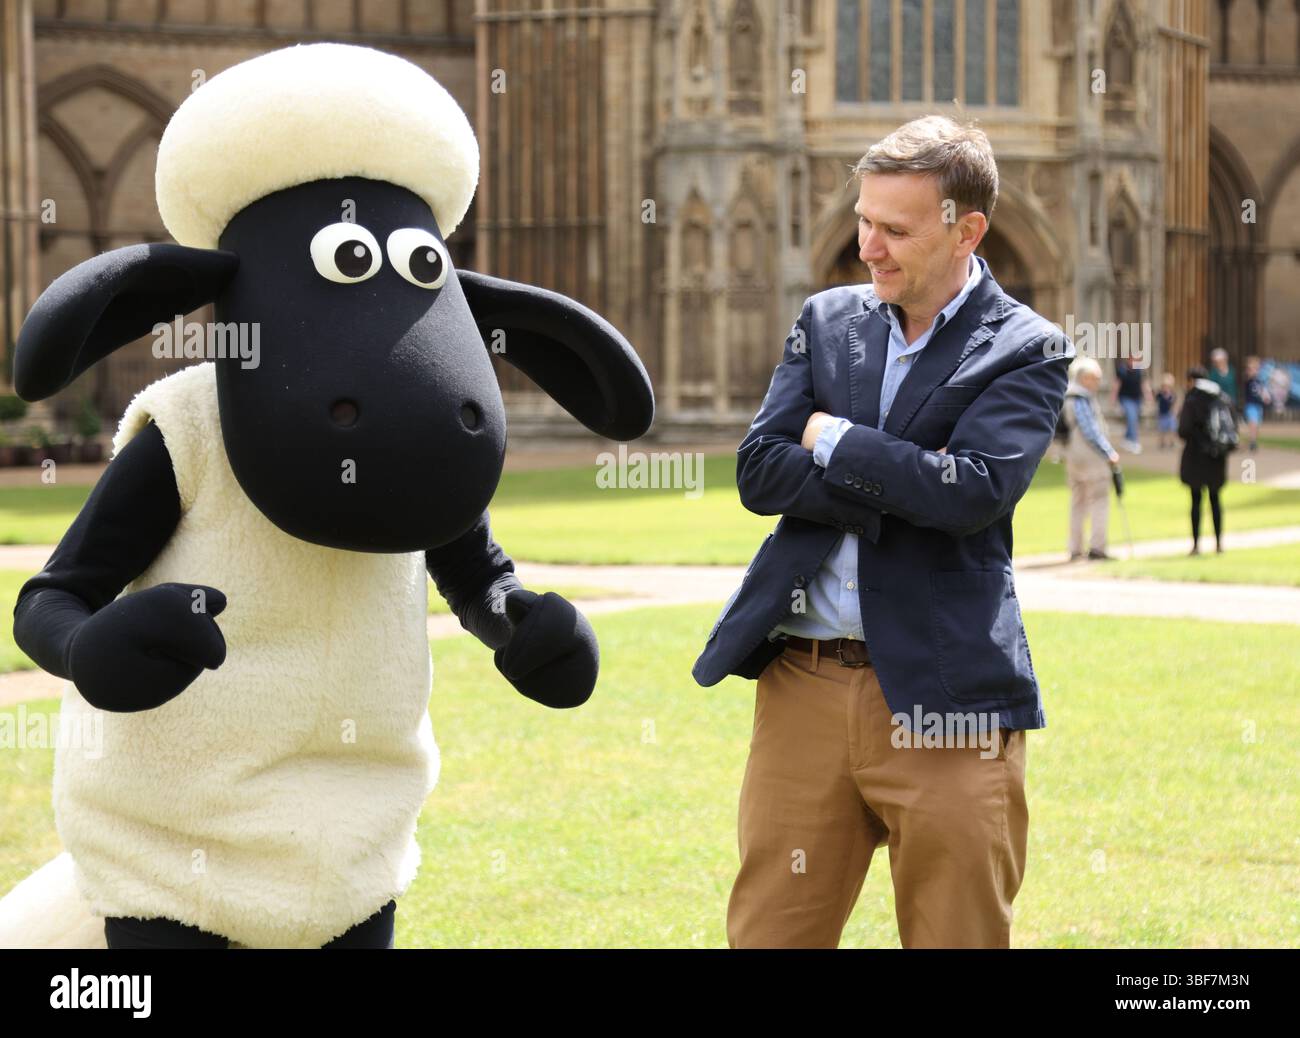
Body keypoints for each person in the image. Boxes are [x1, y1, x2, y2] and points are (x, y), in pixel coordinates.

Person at [693, 115, 1073, 949]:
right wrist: (902, 478)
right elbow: (757, 470)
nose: (868, 246)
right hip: (803, 687)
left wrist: (831, 440)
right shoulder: (826, 321)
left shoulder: (1026, 348)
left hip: (948, 704)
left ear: (966, 230)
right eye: (864, 220)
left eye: (894, 229)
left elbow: (971, 493)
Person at [1062, 357, 1120, 560]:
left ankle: (1075, 548)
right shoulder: (1081, 398)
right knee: (1099, 500)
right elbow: (1091, 431)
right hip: (1090, 457)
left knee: (1077, 502)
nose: (1097, 383)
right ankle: (1097, 547)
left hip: (1073, 456)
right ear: (1084, 378)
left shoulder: (1066, 396)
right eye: (1095, 379)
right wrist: (1109, 452)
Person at [1178, 365, 1229, 555]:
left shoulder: (1192, 400)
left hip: (1196, 457)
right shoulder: (1221, 398)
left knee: (1196, 501)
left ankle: (1196, 545)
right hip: (1217, 457)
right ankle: (1218, 544)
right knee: (1216, 501)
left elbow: (1183, 430)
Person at [1110, 356, 1150, 453]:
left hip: (1137, 399)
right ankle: (1134, 442)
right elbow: (1117, 385)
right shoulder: (1122, 371)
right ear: (1129, 360)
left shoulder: (1140, 371)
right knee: (1132, 417)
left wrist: (1148, 396)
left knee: (1133, 418)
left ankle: (1126, 440)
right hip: (1125, 398)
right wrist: (1113, 399)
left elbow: (1144, 384)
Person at [1242, 356, 1270, 452]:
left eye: (1255, 368)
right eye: (1250, 369)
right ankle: (1253, 442)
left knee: (1257, 425)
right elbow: (1249, 378)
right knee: (1253, 423)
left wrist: (1265, 397)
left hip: (1259, 405)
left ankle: (1253, 440)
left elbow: (1262, 391)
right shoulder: (1248, 379)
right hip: (1251, 405)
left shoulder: (1260, 380)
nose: (1253, 371)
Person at [1155, 372, 1178, 450]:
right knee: (1162, 429)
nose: (1165, 388)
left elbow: (1174, 404)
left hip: (1170, 414)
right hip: (1162, 414)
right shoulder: (1160, 395)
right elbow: (1155, 399)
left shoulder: (1172, 395)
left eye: (1167, 387)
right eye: (1164, 386)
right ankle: (1162, 442)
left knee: (1172, 429)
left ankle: (1172, 442)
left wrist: (1175, 412)